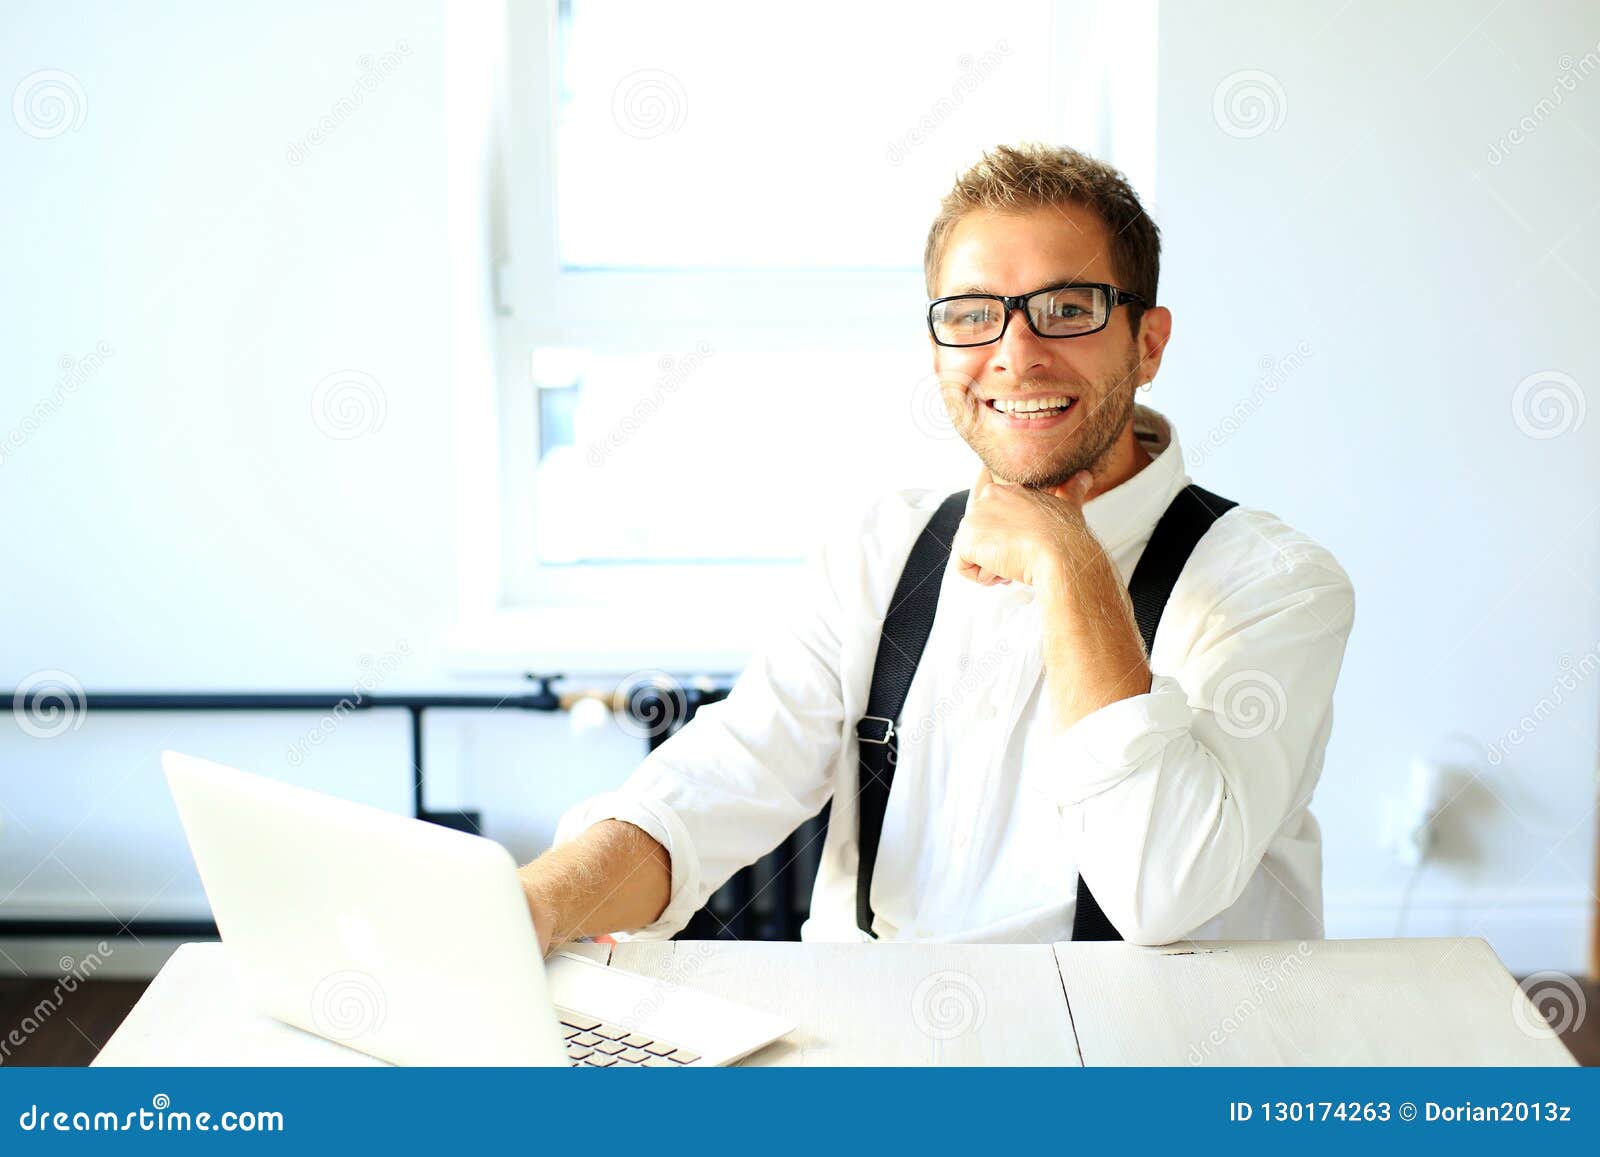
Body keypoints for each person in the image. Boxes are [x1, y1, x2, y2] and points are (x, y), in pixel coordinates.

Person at [516, 142, 1356, 952]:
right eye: (973, 315)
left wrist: (1069, 563)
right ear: (937, 346)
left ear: (1148, 342)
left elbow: (1161, 887)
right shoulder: (880, 550)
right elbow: (716, 783)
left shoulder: (1274, 585)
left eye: (1069, 309)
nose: (1016, 356)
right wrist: (535, 907)